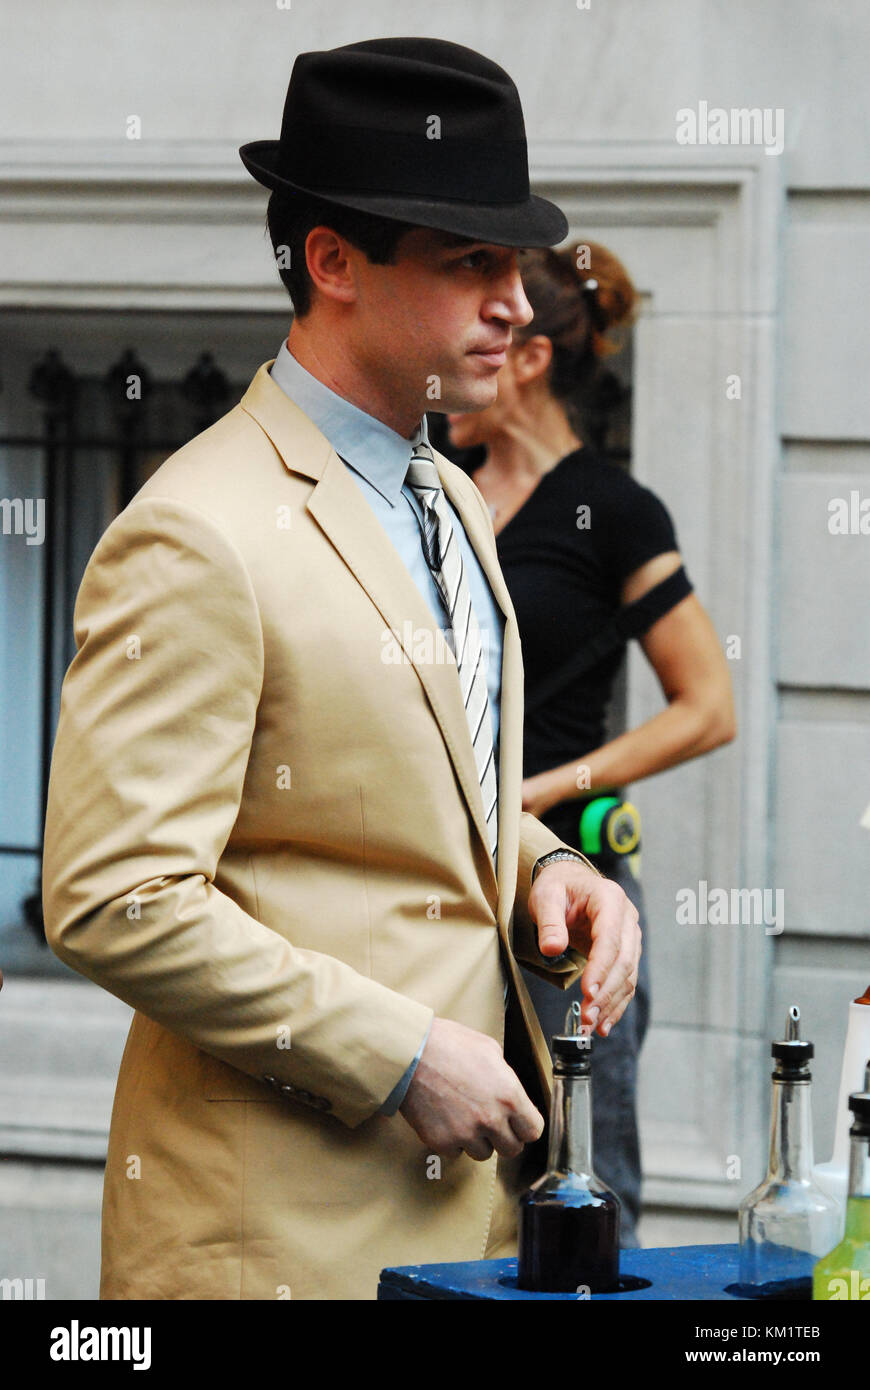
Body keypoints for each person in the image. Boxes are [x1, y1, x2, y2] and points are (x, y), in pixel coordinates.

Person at [40, 38, 641, 1301]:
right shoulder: (195, 529)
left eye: (518, 265)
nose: (520, 305)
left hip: (474, 1230)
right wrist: (402, 1053)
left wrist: (555, 866)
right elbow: (112, 892)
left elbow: (437, 784)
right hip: (279, 1248)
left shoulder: (457, 503)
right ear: (332, 264)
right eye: (471, 262)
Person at [445, 241, 736, 1244]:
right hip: (447, 883)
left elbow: (708, 705)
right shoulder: (438, 493)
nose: (447, 373)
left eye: (482, 331)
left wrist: (541, 789)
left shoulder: (615, 509)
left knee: (584, 1179)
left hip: (571, 897)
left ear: (527, 357)